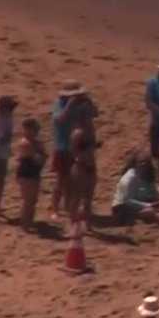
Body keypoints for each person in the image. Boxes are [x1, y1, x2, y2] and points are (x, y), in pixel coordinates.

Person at [49, 81, 96, 219]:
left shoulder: (81, 105)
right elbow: (59, 119)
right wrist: (70, 105)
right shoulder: (59, 104)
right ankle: (54, 208)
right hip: (62, 147)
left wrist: (89, 101)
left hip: (75, 147)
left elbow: (95, 113)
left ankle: (69, 207)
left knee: (73, 180)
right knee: (61, 180)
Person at [15, 118, 48, 230]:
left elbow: (43, 157)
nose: (35, 131)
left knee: (33, 200)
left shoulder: (35, 143)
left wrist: (42, 156)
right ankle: (25, 224)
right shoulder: (25, 143)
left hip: (34, 172)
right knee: (27, 200)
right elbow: (39, 158)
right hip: (26, 173)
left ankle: (29, 221)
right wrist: (41, 155)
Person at [69, 105, 100, 225]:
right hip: (80, 166)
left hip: (91, 166)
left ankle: (87, 223)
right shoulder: (77, 133)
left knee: (88, 197)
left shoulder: (91, 131)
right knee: (77, 197)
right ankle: (73, 221)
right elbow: (74, 151)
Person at [112, 158, 159, 225]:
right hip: (124, 208)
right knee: (151, 211)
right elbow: (129, 201)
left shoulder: (147, 177)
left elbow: (154, 193)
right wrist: (149, 205)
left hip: (141, 205)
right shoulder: (131, 177)